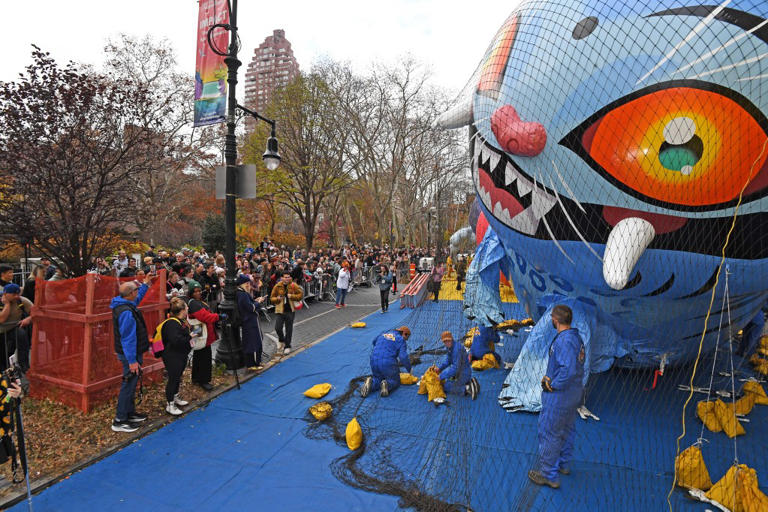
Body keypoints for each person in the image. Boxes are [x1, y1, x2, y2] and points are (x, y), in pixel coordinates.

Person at [528, 304, 585, 489]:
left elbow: (568, 370)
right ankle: (563, 464)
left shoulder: (564, 341)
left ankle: (548, 475)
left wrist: (552, 383)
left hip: (560, 395)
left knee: (550, 431)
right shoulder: (576, 337)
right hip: (574, 394)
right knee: (567, 429)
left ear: (556, 320)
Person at [109, 275, 153, 432]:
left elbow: (138, 298)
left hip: (132, 353)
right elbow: (128, 339)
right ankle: (120, 419)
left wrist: (146, 285)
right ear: (130, 294)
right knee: (128, 384)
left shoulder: (125, 304)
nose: (137, 290)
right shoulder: (126, 312)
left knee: (132, 383)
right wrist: (132, 360)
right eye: (136, 289)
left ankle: (129, 412)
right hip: (130, 355)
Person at [160, 297, 195, 416]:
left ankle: (175, 397)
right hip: (172, 355)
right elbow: (176, 340)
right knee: (173, 378)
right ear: (181, 310)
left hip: (180, 354)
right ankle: (170, 404)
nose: (188, 308)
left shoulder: (180, 321)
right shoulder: (172, 323)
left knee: (177, 377)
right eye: (186, 307)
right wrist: (189, 337)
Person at [187, 281, 224, 392]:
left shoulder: (197, 301)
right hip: (201, 330)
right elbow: (205, 317)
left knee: (199, 354)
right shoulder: (194, 303)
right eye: (195, 291)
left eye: (199, 290)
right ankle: (203, 380)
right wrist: (219, 316)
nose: (198, 293)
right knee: (204, 356)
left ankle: (196, 377)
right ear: (191, 293)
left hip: (200, 329)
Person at [360, 326, 411, 398]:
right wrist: (409, 369)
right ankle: (387, 384)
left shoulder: (383, 334)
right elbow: (403, 357)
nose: (406, 340)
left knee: (378, 378)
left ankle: (371, 384)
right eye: (407, 337)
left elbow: (374, 341)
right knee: (394, 381)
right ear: (404, 334)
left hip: (373, 360)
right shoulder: (400, 339)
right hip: (387, 362)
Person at [434, 331, 478, 402]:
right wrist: (440, 368)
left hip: (463, 373)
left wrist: (441, 376)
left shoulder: (456, 350)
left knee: (446, 386)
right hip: (459, 373)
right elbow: (448, 361)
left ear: (452, 339)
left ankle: (467, 389)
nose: (447, 343)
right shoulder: (450, 348)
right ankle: (469, 382)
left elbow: (455, 368)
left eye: (448, 340)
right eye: (445, 341)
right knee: (448, 380)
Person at [0, 284, 32, 372]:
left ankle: (24, 366)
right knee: (3, 355)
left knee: (21, 336)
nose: (17, 296)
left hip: (13, 329)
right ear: (5, 293)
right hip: (1, 331)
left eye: (18, 294)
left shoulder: (21, 301)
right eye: (14, 294)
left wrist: (29, 318)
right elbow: (1, 319)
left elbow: (36, 311)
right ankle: (4, 371)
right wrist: (7, 304)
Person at [270, 271, 303, 355]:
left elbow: (301, 295)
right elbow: (272, 298)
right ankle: (281, 340)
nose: (287, 278)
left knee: (289, 329)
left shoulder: (293, 285)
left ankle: (287, 346)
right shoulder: (277, 286)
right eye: (285, 277)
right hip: (280, 310)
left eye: (288, 277)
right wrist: (277, 298)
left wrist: (292, 296)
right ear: (281, 278)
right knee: (278, 328)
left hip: (290, 310)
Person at [236, 274, 266, 370]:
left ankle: (256, 362)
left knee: (254, 340)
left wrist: (255, 301)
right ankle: (253, 364)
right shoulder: (243, 294)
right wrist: (259, 302)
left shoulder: (241, 293)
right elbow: (250, 308)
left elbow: (249, 304)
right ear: (242, 284)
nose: (249, 285)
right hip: (249, 320)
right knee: (253, 342)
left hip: (249, 320)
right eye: (247, 283)